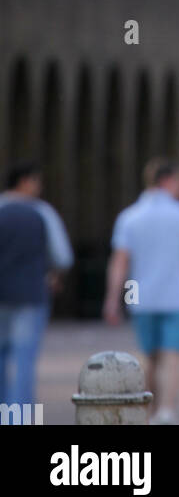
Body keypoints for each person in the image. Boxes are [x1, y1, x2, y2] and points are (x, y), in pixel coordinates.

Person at [103, 158, 179, 425]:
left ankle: (149, 411)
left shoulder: (129, 216)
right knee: (173, 356)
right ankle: (167, 410)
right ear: (167, 181)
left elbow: (120, 261)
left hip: (142, 297)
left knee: (148, 357)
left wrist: (113, 300)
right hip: (177, 297)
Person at [0, 161, 73, 411]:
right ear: (25, 181)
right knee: (24, 359)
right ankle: (17, 415)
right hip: (31, 294)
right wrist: (51, 275)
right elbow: (62, 256)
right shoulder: (42, 212)